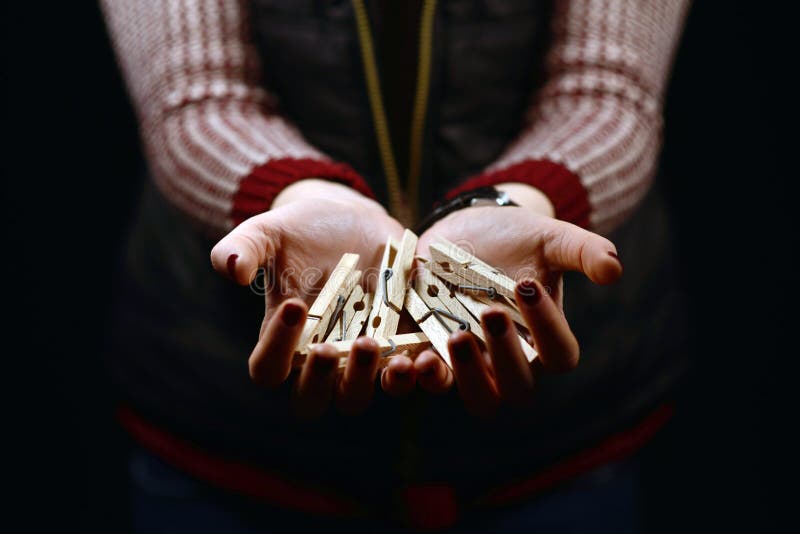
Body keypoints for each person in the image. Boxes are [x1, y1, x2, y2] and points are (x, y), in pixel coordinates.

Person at [101, 0, 689, 531]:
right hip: (226, 426)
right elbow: (194, 94)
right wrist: (303, 199)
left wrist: (519, 203)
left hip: (560, 440)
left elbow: (608, 91)